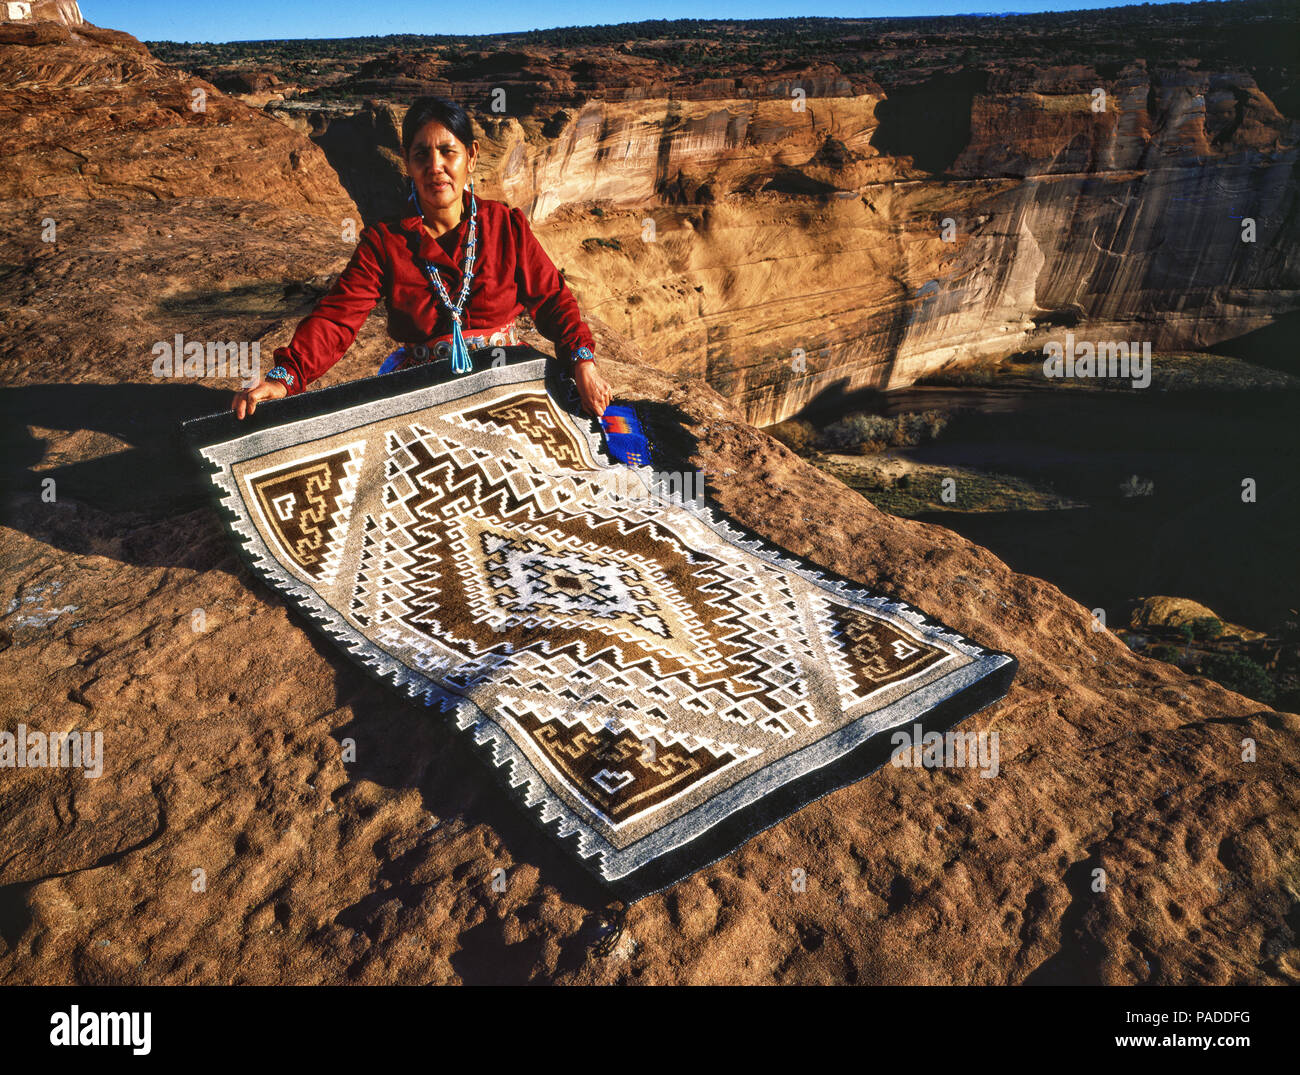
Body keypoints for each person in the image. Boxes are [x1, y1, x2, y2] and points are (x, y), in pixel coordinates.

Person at [232, 96, 613, 420]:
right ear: (406, 160)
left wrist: (582, 360)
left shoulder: (505, 226)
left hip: (506, 378)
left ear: (471, 156)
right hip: (422, 393)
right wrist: (285, 377)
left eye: (448, 151)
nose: (435, 167)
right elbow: (337, 317)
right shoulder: (386, 242)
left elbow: (551, 299)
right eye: (421, 155)